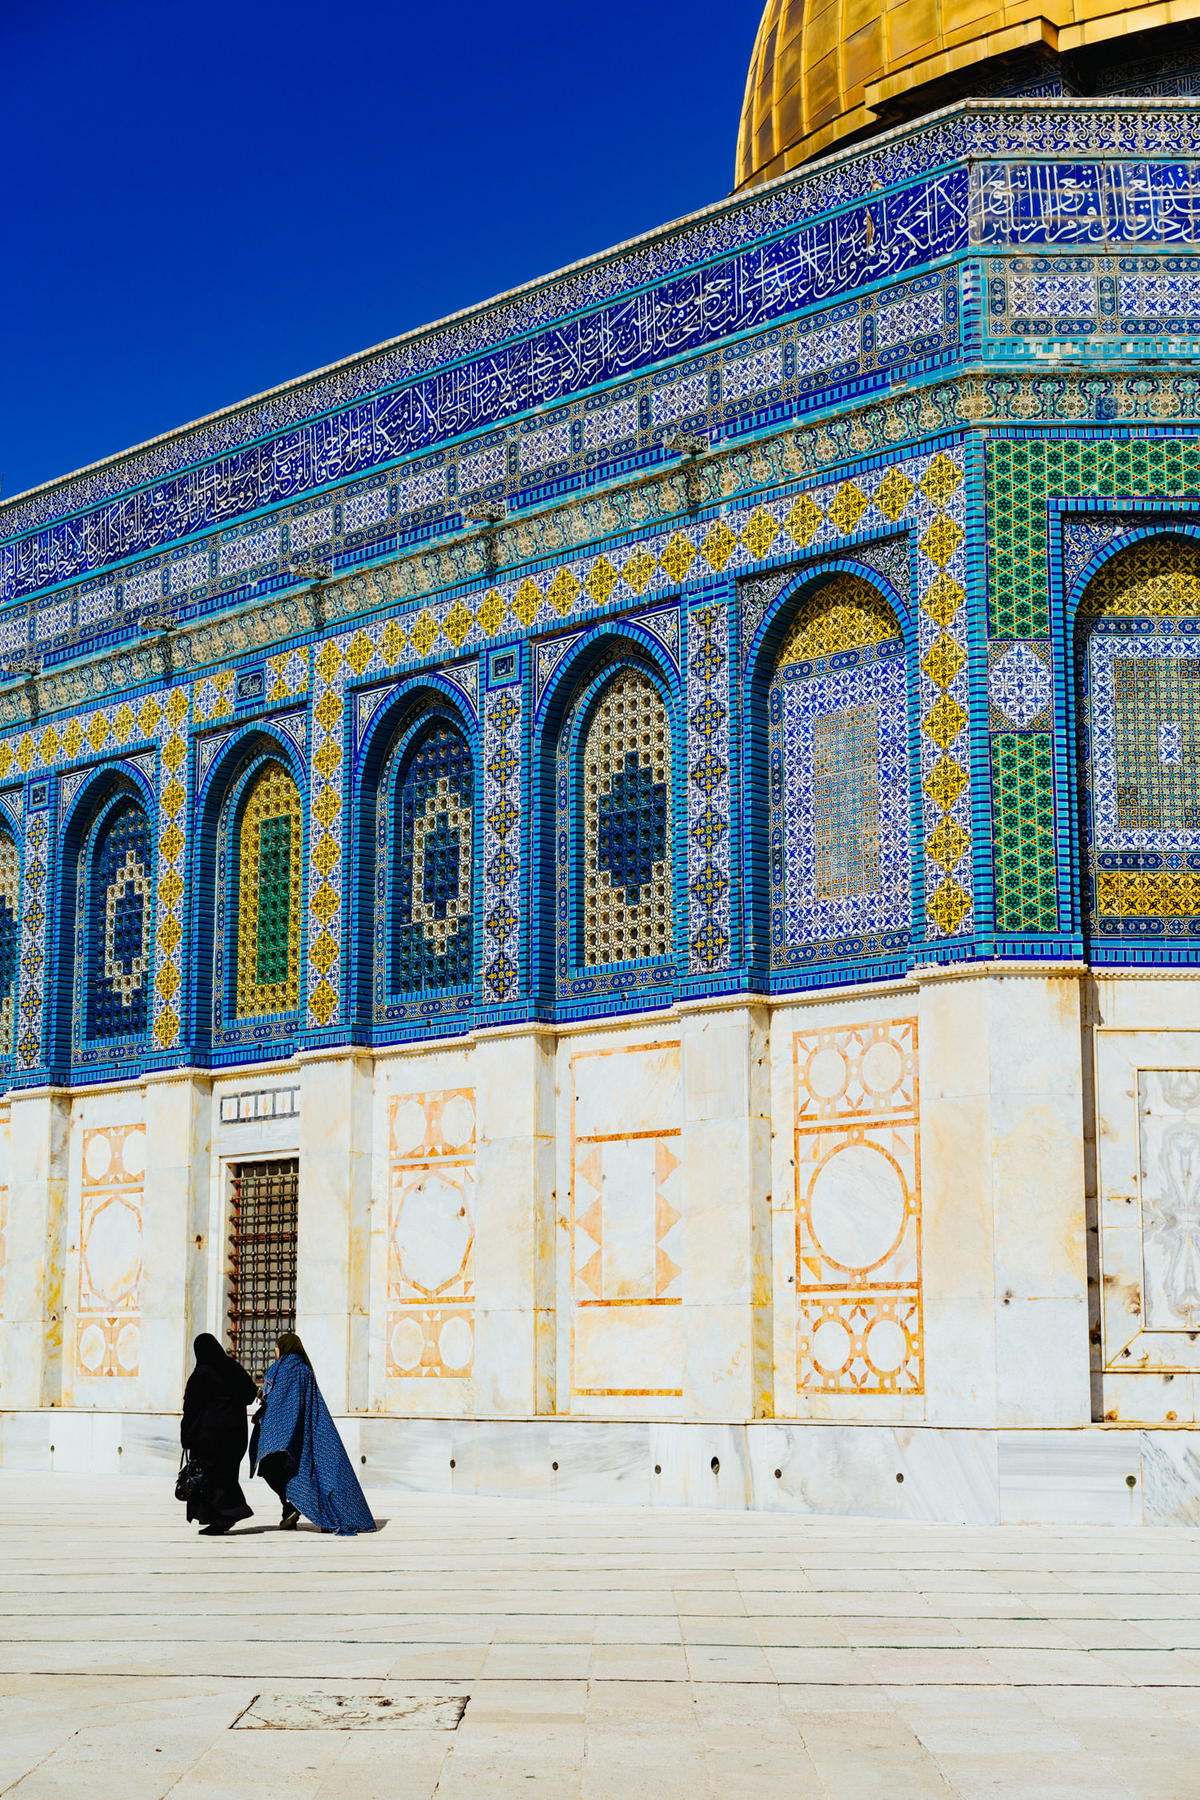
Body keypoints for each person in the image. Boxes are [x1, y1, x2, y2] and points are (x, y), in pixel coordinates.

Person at [250, 1331, 375, 1535]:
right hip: (305, 1430)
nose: (275, 1350)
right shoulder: (305, 1369)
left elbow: (273, 1399)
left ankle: (292, 1505)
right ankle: (290, 1507)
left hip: (279, 1433)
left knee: (270, 1467)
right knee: (310, 1471)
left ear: (283, 1347)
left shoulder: (280, 1368)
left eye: (277, 1346)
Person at [180, 1333, 258, 1535]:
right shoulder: (232, 1368)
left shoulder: (200, 1374)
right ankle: (219, 1518)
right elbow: (250, 1394)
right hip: (236, 1434)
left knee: (211, 1479)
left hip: (209, 1437)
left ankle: (226, 1515)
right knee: (225, 1475)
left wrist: (186, 1437)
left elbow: (191, 1409)